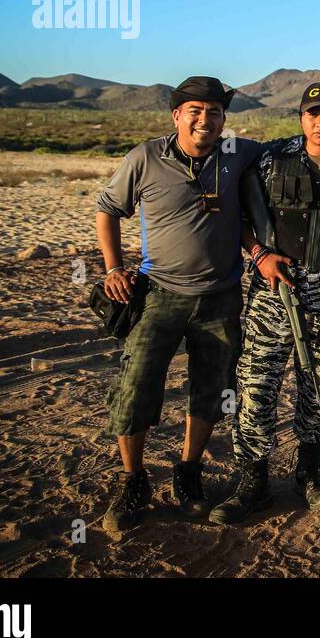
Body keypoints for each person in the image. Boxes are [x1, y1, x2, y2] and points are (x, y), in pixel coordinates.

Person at [96, 76, 262, 533]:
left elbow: (296, 146)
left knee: (210, 389)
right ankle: (133, 480)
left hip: (221, 296)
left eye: (214, 112)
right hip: (158, 294)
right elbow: (108, 210)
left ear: (224, 119)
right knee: (135, 385)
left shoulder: (239, 154)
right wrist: (113, 269)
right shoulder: (145, 158)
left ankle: (188, 475)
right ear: (176, 115)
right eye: (195, 111)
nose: (204, 120)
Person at [210, 81, 320, 525]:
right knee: (257, 384)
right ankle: (252, 481)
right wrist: (258, 255)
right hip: (276, 287)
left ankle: (310, 472)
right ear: (301, 117)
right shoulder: (269, 158)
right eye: (313, 113)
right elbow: (238, 216)